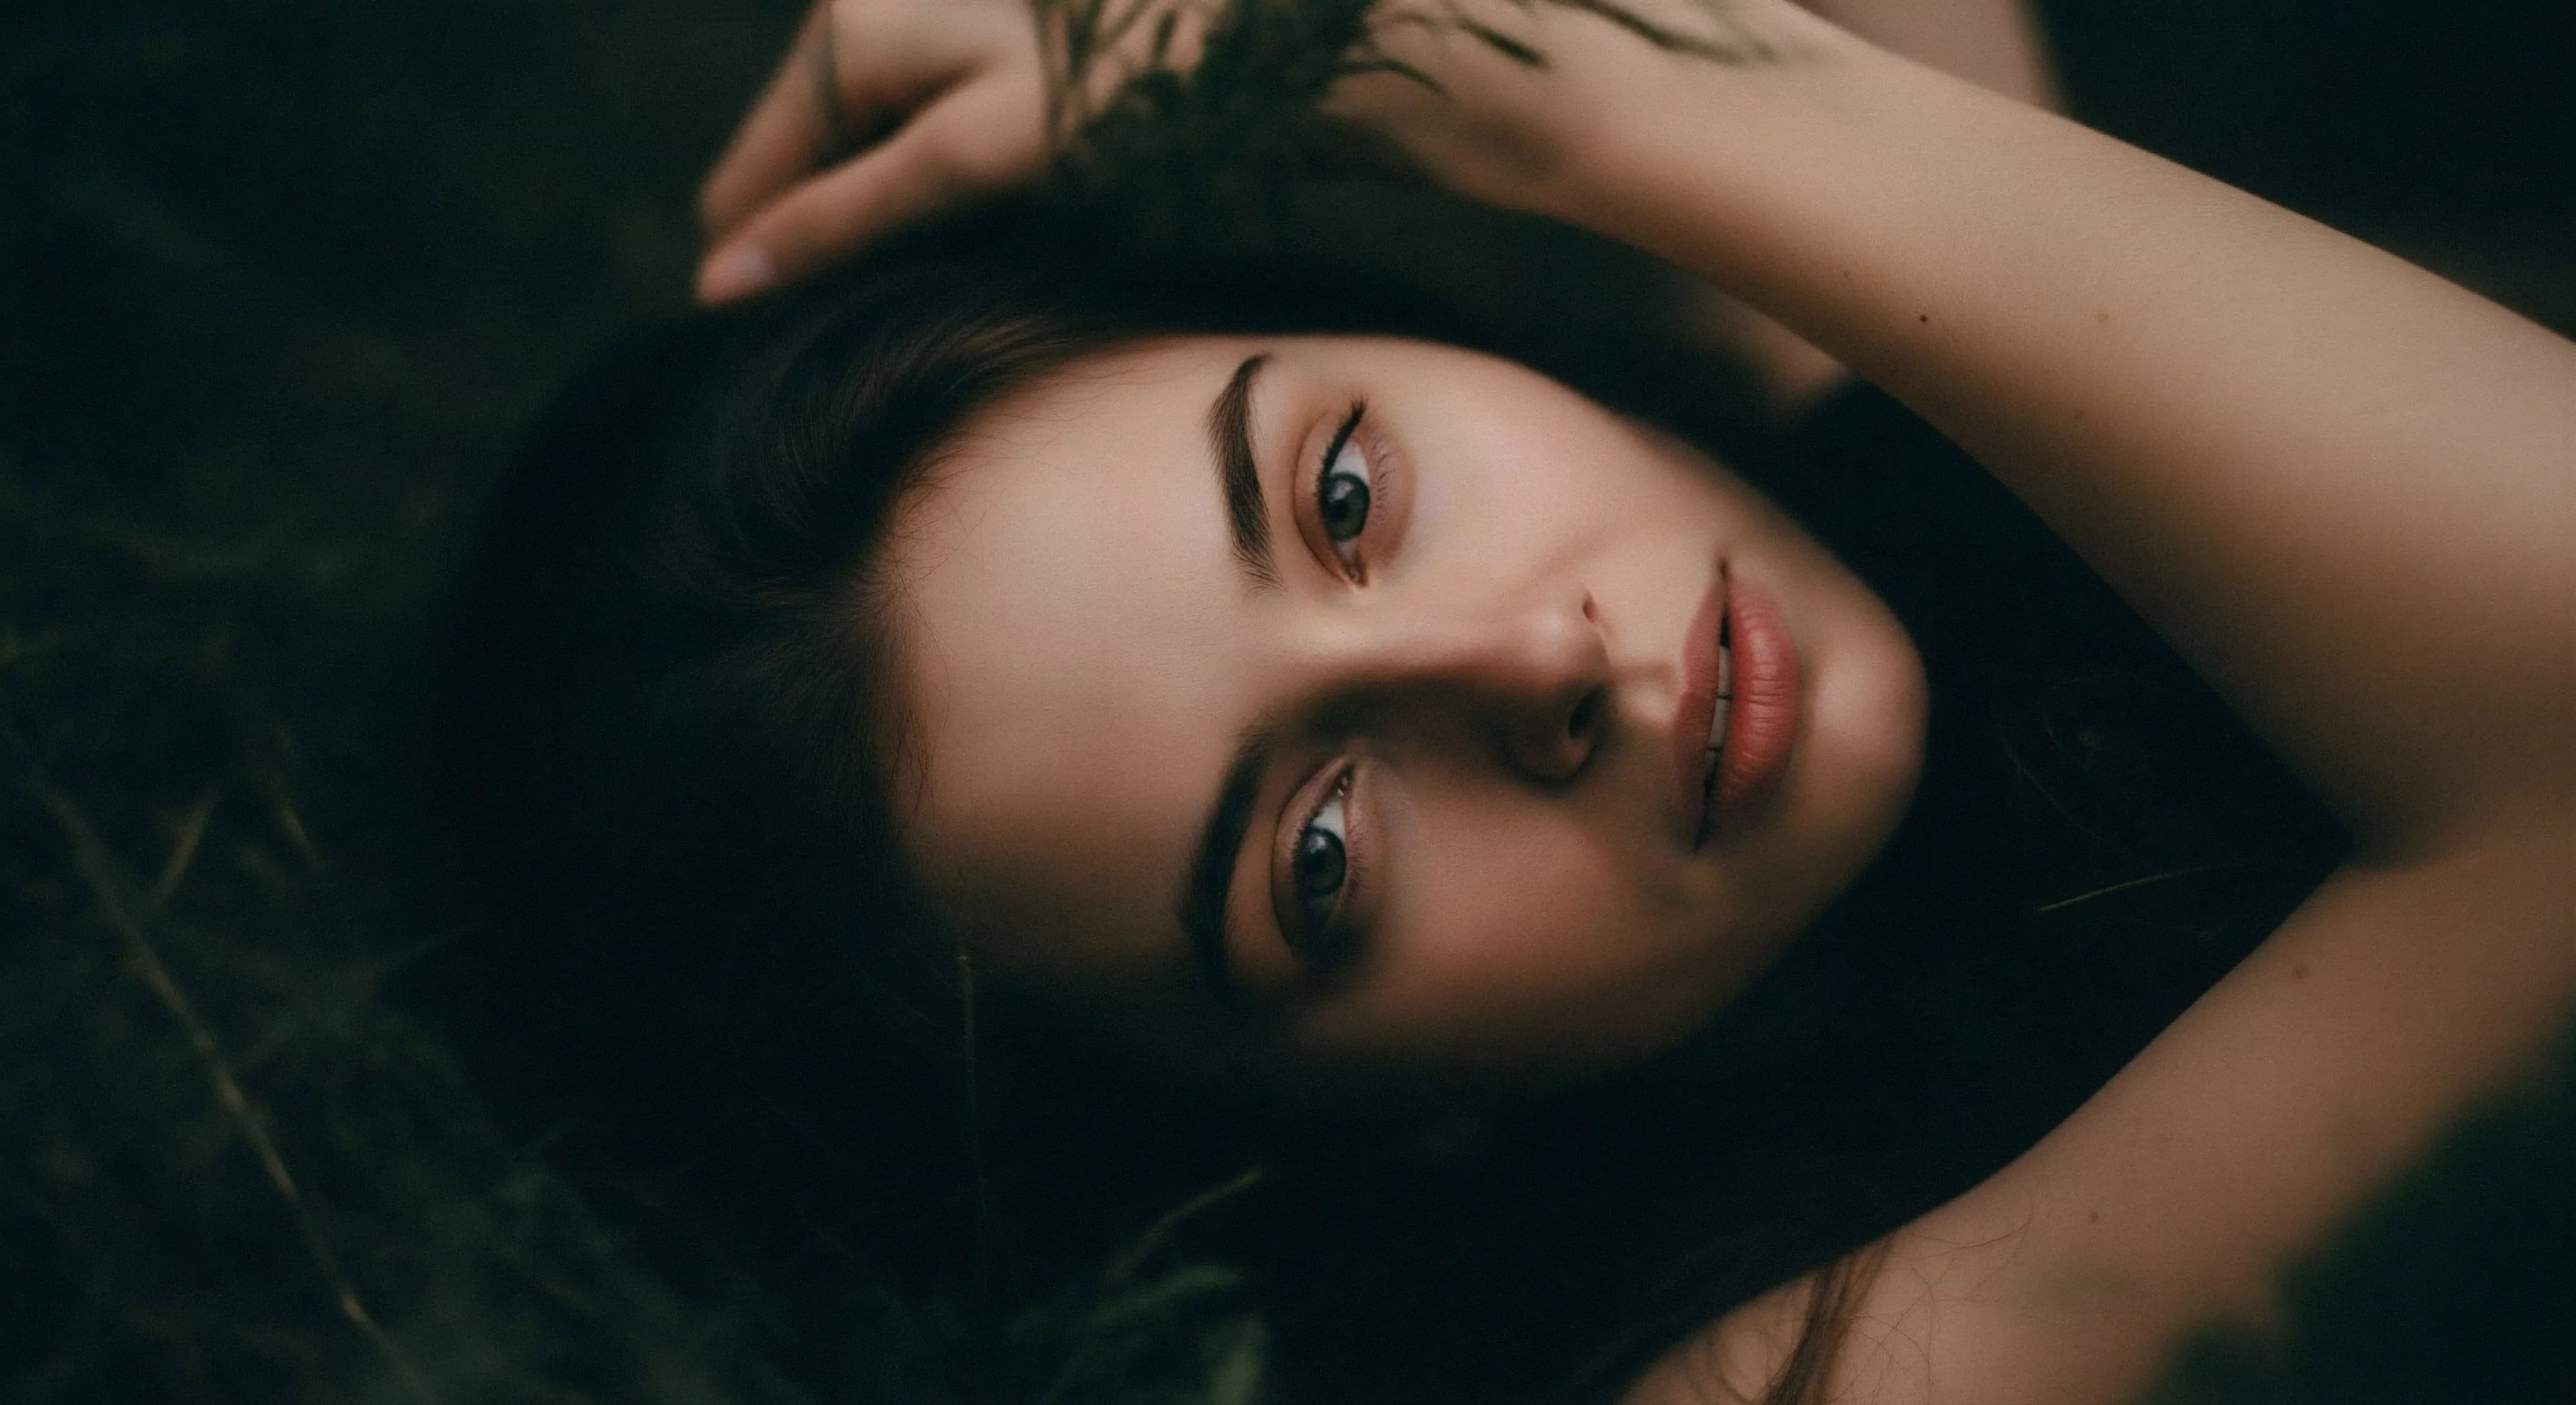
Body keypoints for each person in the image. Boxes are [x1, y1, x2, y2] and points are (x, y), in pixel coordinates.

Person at [437, 1, 2575, 1401]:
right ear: (1342, 1142)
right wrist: (1545, 87)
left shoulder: (1831, 393)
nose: (1530, 662)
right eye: (1324, 859)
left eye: (1345, 490)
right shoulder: (1810, 1370)